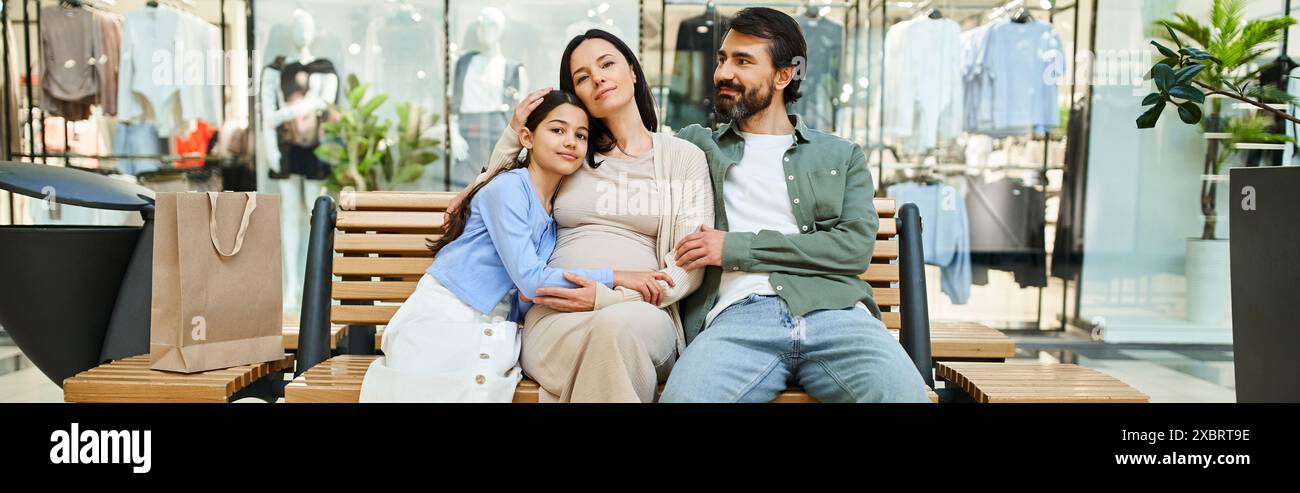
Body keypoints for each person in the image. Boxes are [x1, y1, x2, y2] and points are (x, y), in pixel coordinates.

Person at [659, 7, 932, 403]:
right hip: (739, 319)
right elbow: (626, 141)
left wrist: (735, 248)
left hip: (838, 315)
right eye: (722, 59)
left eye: (743, 61)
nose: (723, 73)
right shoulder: (696, 145)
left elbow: (853, 249)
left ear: (784, 75)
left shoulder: (841, 155)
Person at [358, 90, 672, 402]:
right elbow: (532, 280)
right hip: (448, 313)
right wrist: (618, 277)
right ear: (527, 137)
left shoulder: (554, 211)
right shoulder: (507, 189)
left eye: (581, 135)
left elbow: (526, 288)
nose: (570, 142)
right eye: (557, 130)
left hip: (497, 326)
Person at [457, 30, 714, 403]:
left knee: (614, 332)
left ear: (632, 71)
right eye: (581, 77)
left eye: (607, 64)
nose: (597, 78)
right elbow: (496, 191)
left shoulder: (683, 157)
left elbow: (690, 263)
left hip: (640, 313)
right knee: (605, 347)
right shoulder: (569, 153)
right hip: (555, 315)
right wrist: (516, 132)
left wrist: (608, 298)